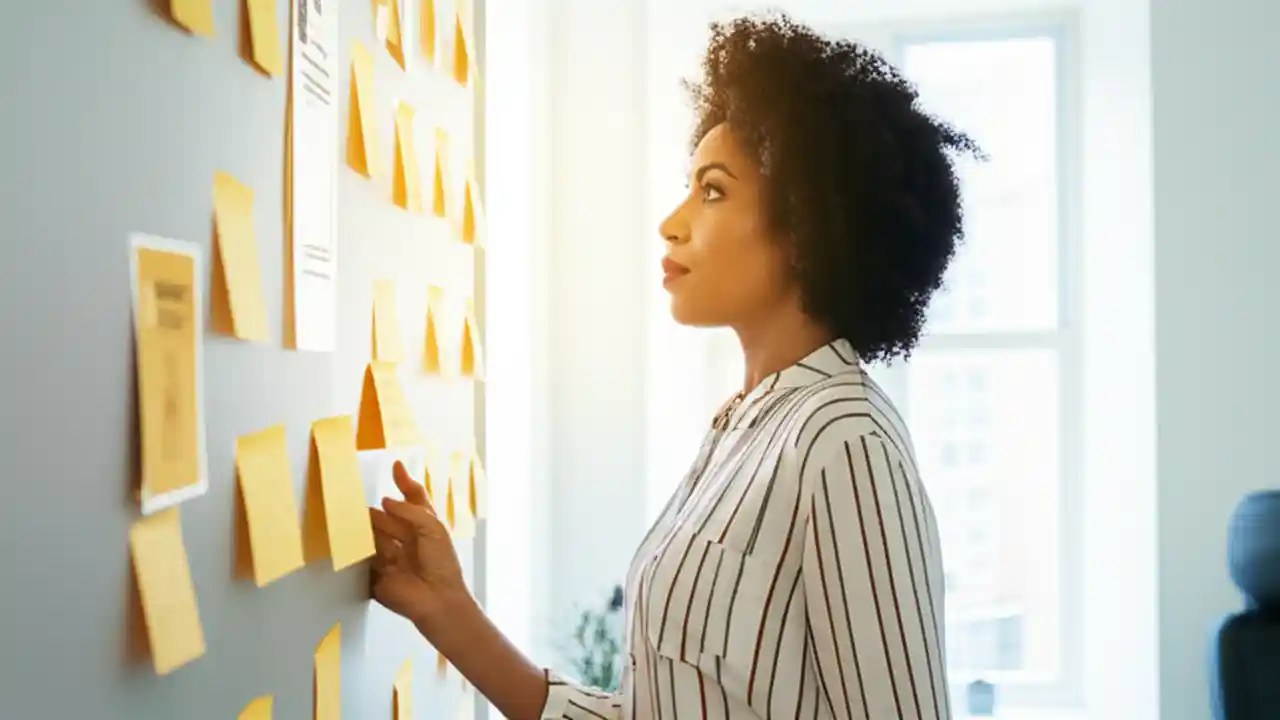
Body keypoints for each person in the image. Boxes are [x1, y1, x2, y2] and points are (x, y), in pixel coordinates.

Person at [368, 12, 980, 720]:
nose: (673, 221)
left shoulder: (846, 442)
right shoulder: (741, 429)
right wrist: (448, 611)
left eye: (713, 190)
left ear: (808, 227)